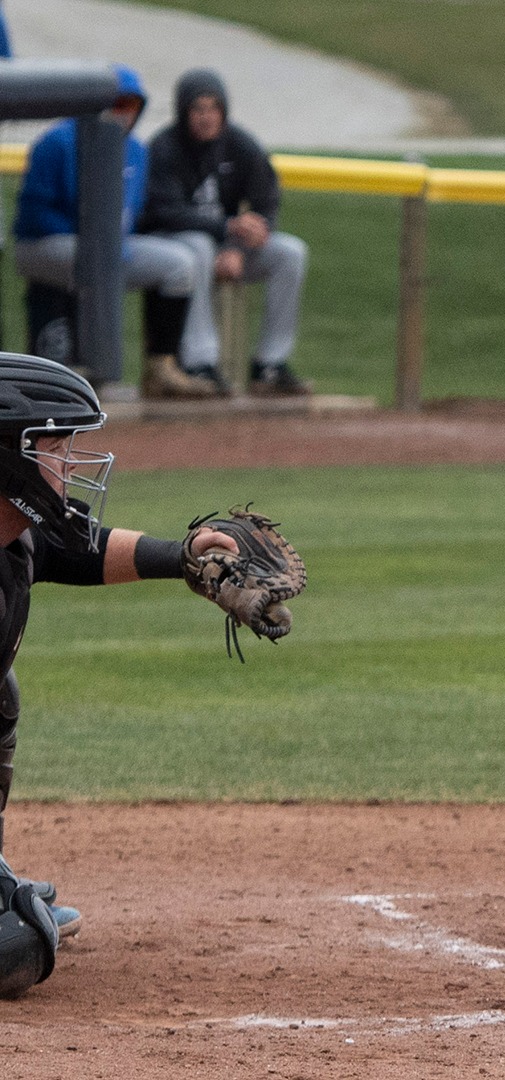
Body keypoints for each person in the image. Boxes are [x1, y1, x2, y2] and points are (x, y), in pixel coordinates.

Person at [0, 351, 248, 998]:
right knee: (13, 945)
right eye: (56, 448)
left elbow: (74, 546)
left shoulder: (14, 530)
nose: (71, 465)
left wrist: (185, 558)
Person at [11, 64, 212, 400]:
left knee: (179, 263)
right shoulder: (57, 142)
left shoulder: (136, 150)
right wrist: (96, 243)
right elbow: (32, 215)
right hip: (43, 247)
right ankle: (73, 364)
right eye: (117, 104)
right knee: (93, 261)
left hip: (109, 250)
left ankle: (161, 367)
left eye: (132, 107)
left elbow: (133, 216)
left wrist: (111, 245)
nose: (124, 114)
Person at [142, 68, 311, 397]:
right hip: (175, 244)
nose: (206, 118)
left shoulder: (240, 145)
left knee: (290, 253)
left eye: (213, 109)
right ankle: (199, 362)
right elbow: (165, 212)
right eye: (197, 109)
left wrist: (238, 244)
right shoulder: (165, 148)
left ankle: (270, 364)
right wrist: (226, 229)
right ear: (183, 112)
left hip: (228, 246)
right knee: (199, 246)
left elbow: (267, 201)